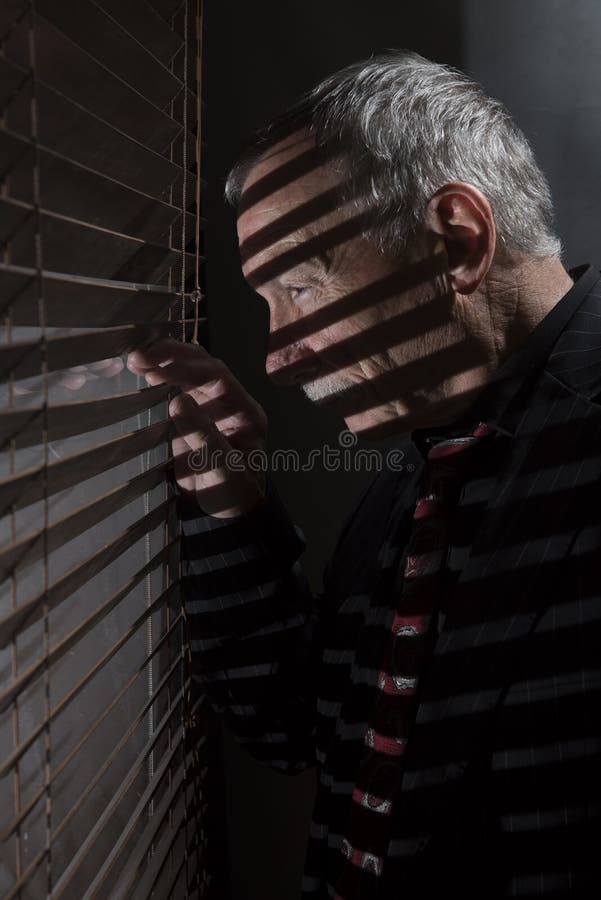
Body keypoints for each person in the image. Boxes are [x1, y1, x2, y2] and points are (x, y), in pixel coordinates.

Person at [127, 51, 601, 899]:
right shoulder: (428, 459)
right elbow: (299, 728)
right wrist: (235, 513)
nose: (276, 355)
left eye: (302, 289)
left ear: (456, 239)